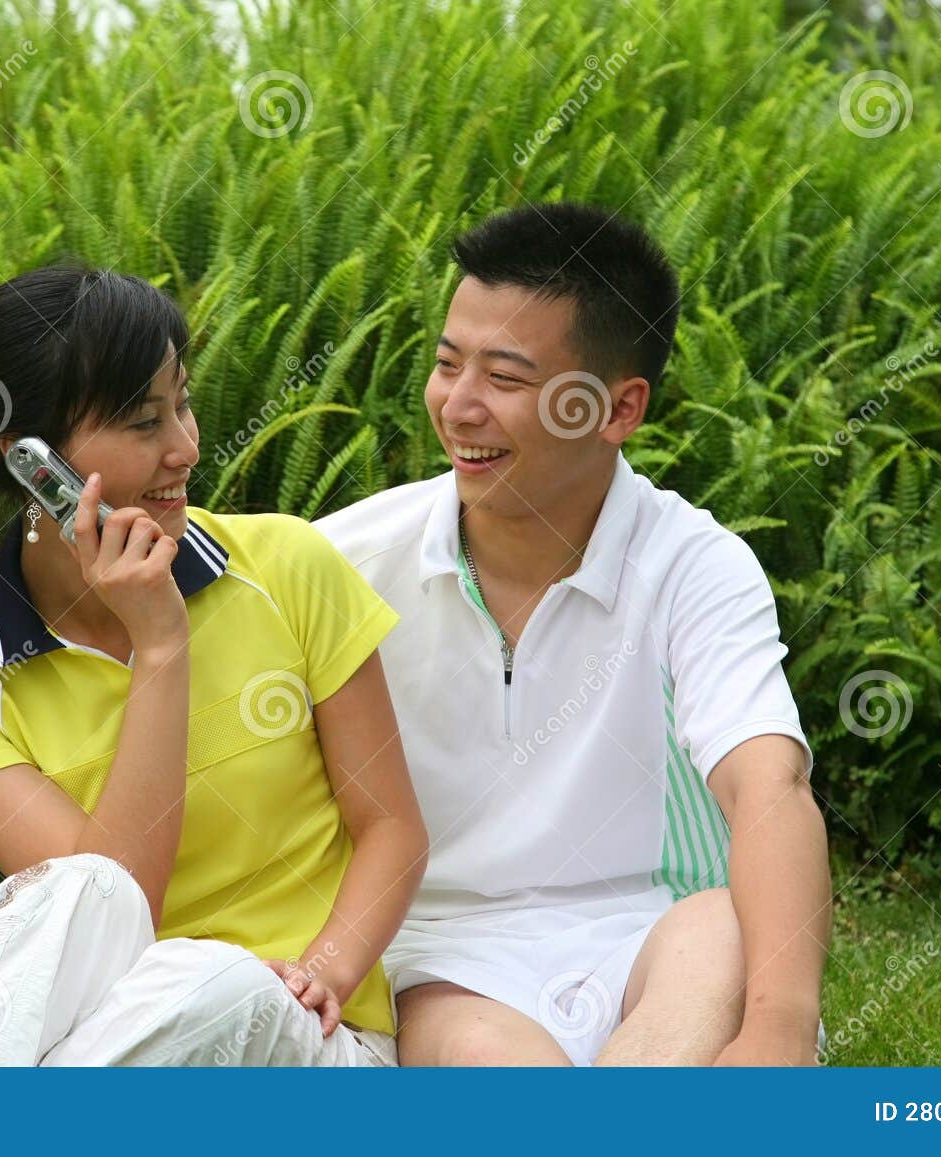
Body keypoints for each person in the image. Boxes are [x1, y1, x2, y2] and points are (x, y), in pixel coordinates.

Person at [0, 265, 427, 1066]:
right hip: (110, 1047)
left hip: (312, 1039)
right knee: (70, 892)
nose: (186, 447)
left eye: (183, 403)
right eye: (142, 421)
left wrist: (322, 971)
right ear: (32, 463)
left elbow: (393, 827)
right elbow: (108, 910)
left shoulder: (289, 564)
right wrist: (160, 647)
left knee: (215, 980)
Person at [315, 203, 829, 1066]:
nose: (460, 406)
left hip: (659, 937)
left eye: (506, 380)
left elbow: (769, 788)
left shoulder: (694, 565)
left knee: (722, 927)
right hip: (445, 960)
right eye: (447, 365)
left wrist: (777, 1034)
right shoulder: (345, 562)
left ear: (617, 407)